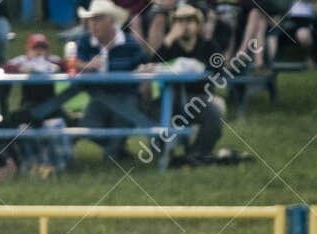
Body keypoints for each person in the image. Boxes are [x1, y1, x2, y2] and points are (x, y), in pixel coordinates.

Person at [72, 0, 152, 162]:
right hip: (99, 95)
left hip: (126, 94)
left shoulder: (129, 43)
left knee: (123, 119)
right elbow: (73, 63)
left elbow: (146, 63)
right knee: (88, 125)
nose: (93, 25)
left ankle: (112, 156)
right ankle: (116, 150)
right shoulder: (85, 41)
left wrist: (145, 71)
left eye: (98, 19)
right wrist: (86, 65)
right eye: (90, 20)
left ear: (111, 21)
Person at [150, 4, 226, 161]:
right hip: (170, 97)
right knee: (152, 112)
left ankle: (197, 153)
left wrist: (199, 68)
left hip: (199, 97)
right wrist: (169, 38)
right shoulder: (169, 46)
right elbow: (153, 66)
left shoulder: (208, 45)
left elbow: (219, 71)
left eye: (190, 21)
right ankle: (163, 154)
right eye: (180, 21)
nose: (185, 25)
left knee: (214, 113)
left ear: (198, 25)